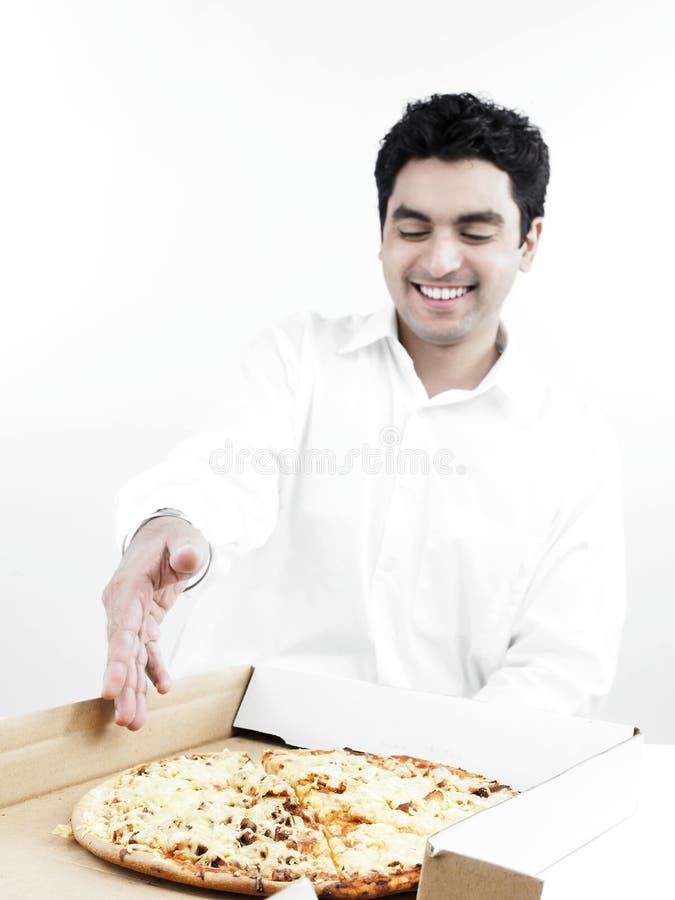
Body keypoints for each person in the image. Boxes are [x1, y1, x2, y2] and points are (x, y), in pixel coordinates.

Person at [102, 93, 625, 731]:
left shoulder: (573, 443)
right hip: (231, 760)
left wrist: (429, 774)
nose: (438, 260)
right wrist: (171, 526)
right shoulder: (298, 357)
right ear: (382, 234)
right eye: (413, 229)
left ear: (528, 241)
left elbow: (562, 664)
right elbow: (226, 471)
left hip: (440, 783)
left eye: (476, 232)